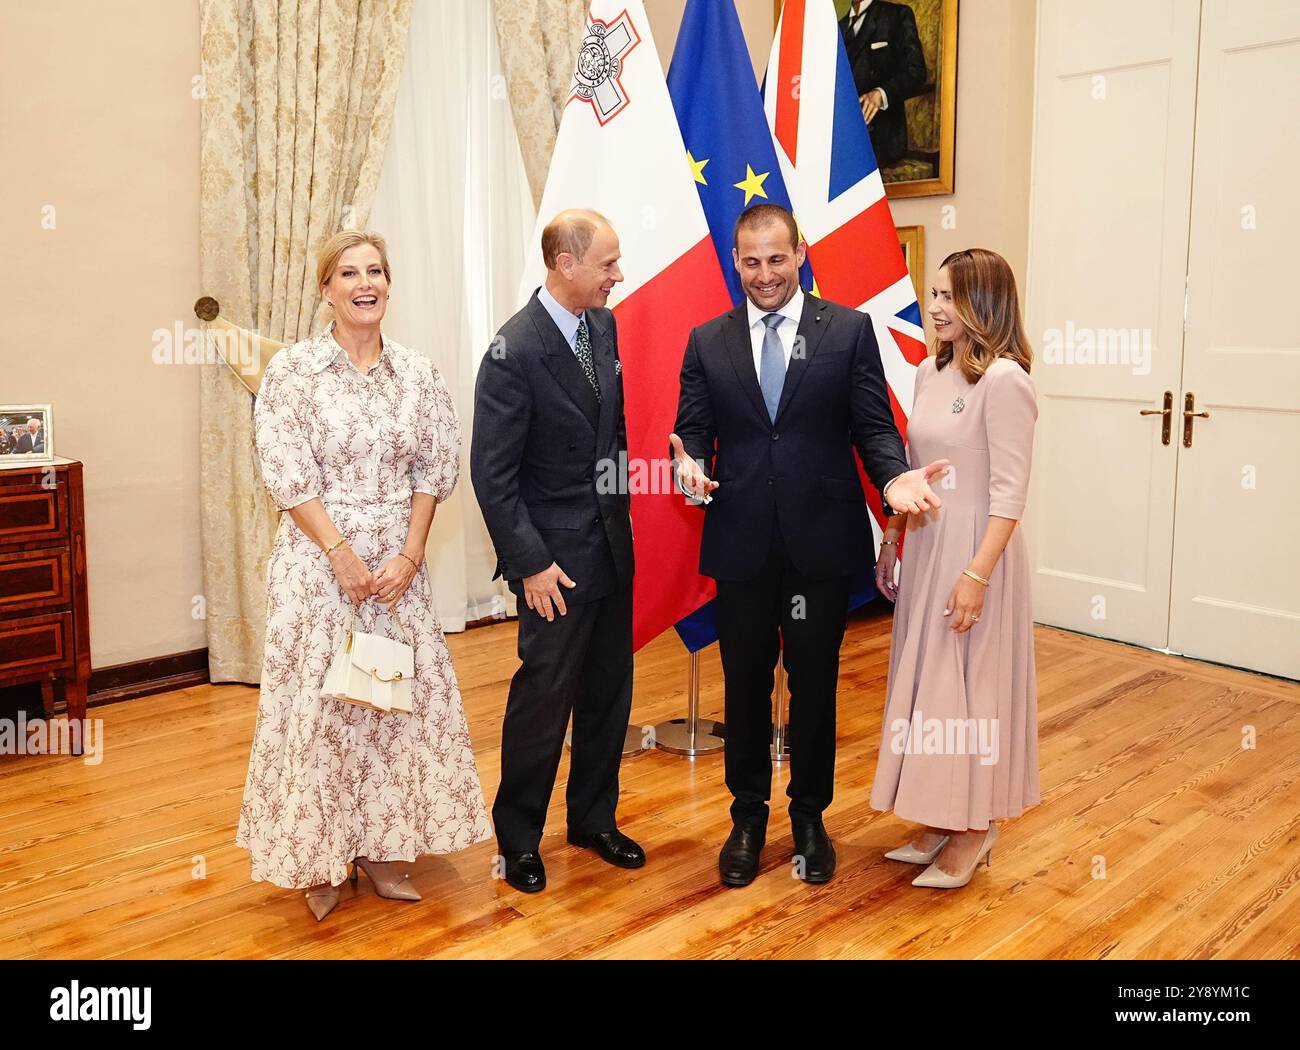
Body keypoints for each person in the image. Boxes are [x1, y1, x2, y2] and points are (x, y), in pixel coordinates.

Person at [671, 203, 947, 888]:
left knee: (815, 687)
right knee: (744, 689)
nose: (764, 273)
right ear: (736, 262)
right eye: (751, 260)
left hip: (819, 549)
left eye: (776, 257)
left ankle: (809, 818)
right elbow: (692, 431)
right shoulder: (707, 341)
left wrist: (892, 481)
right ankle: (747, 818)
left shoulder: (847, 332)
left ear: (800, 255)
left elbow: (873, 429)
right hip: (740, 548)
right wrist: (688, 468)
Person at [236, 229, 492, 921]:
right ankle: (318, 858)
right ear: (326, 291)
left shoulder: (416, 372)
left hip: (397, 574)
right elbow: (285, 471)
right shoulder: (292, 372)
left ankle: (384, 848)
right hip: (321, 570)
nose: (364, 283)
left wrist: (409, 556)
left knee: (390, 706)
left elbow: (435, 467)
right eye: (348, 273)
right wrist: (342, 555)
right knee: (321, 712)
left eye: (375, 270)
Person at [471, 209, 642, 894]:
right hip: (553, 566)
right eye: (607, 263)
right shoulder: (514, 351)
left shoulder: (602, 325)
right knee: (543, 702)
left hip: (610, 550)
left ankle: (593, 819)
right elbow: (493, 475)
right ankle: (518, 839)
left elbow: (614, 436)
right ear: (565, 264)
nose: (617, 275)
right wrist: (532, 564)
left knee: (608, 696)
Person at [870, 248, 1040, 889]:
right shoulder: (925, 373)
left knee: (971, 691)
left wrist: (977, 574)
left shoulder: (1006, 381)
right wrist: (892, 539)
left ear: (983, 302)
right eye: (932, 294)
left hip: (976, 555)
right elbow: (911, 472)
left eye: (947, 296)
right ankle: (946, 814)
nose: (934, 307)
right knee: (932, 687)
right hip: (927, 548)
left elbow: (1010, 493)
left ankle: (977, 829)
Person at [839, 0, 928, 169]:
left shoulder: (897, 15)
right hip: (842, 139)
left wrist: (881, 94)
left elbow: (916, 71)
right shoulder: (837, 28)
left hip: (881, 139)